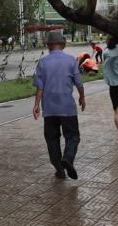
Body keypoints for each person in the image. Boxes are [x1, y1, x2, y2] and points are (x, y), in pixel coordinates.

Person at [32, 31, 84, 180]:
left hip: (49, 109)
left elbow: (40, 87)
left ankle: (59, 169)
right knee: (73, 136)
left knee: (52, 139)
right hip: (67, 107)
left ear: (48, 45)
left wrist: (36, 105)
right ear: (63, 44)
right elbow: (78, 83)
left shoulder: (43, 62)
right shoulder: (71, 60)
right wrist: (82, 97)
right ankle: (68, 158)